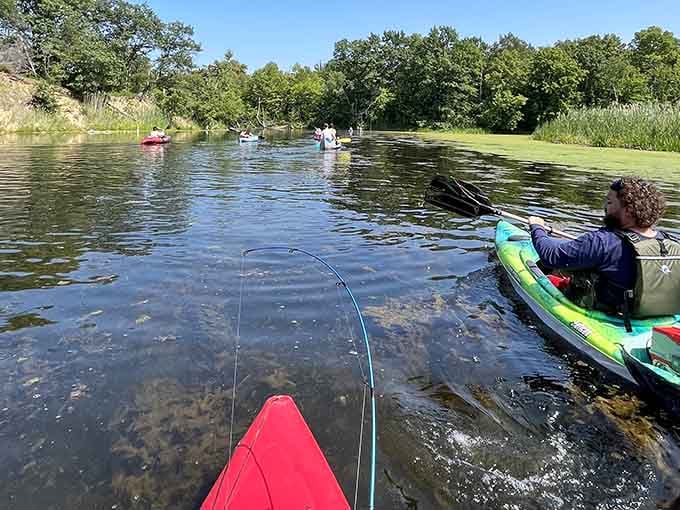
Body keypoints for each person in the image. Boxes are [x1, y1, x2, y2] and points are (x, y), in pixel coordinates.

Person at [528, 177, 680, 321]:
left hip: (610, 316)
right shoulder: (669, 242)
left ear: (628, 210)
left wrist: (537, 227)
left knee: (548, 271)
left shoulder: (603, 241)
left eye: (609, 202)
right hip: (659, 317)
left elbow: (550, 256)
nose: (605, 207)